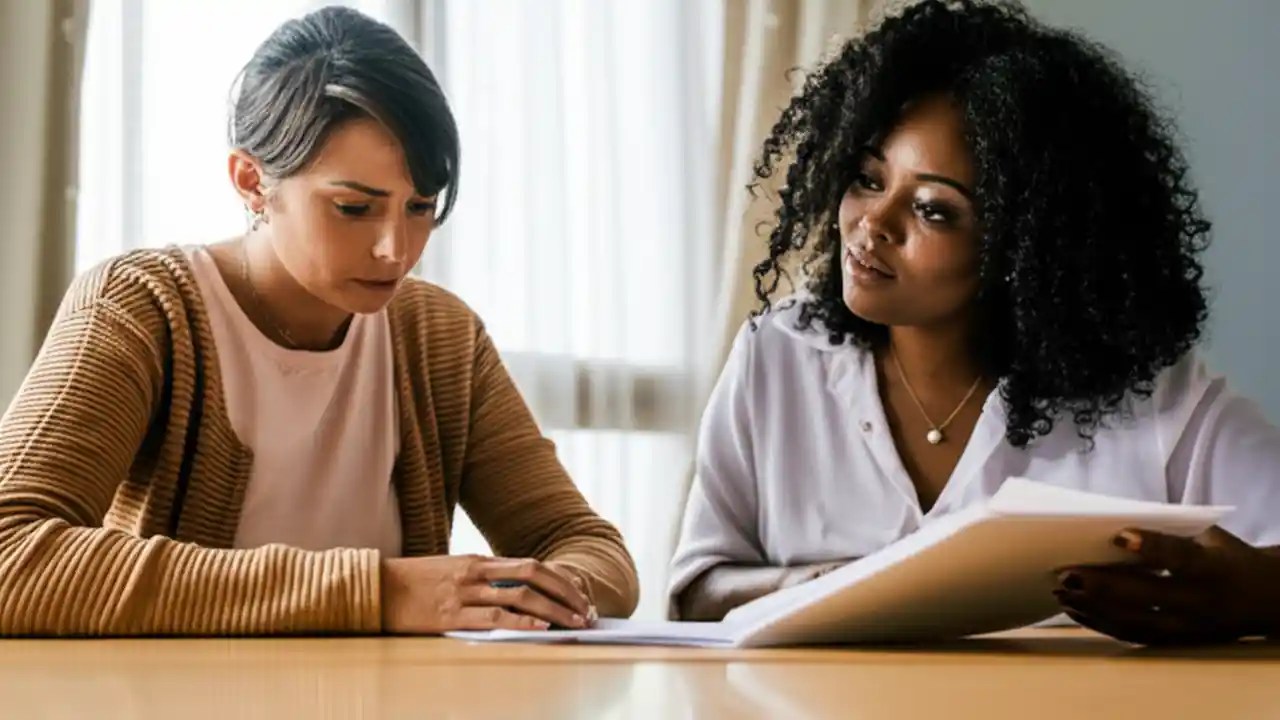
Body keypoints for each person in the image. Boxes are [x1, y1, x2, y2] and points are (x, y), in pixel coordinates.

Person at [0, 6, 638, 637]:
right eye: (354, 207)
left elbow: (588, 547)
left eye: (420, 207)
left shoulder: (441, 338)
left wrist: (539, 592)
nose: (397, 249)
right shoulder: (141, 309)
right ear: (252, 181)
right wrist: (380, 593)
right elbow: (10, 555)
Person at [669, 0, 1280, 645]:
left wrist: (1249, 598)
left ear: (1029, 247)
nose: (874, 222)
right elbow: (697, 592)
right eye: (868, 178)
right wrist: (851, 585)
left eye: (933, 210)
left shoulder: (1153, 400)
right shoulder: (778, 354)